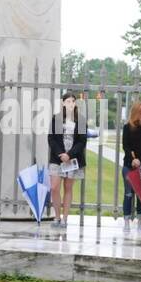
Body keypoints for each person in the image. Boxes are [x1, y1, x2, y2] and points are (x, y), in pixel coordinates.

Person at [47, 91, 87, 228]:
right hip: (57, 158)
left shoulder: (81, 120)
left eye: (73, 101)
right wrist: (61, 154)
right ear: (63, 103)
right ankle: (57, 217)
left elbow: (82, 142)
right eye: (68, 101)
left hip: (72, 158)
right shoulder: (56, 119)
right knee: (54, 187)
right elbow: (51, 139)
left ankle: (64, 219)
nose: (71, 104)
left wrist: (69, 155)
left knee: (68, 188)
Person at [120, 101, 141, 233]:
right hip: (129, 165)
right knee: (128, 193)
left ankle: (140, 222)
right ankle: (126, 222)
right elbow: (126, 146)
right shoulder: (127, 127)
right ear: (135, 113)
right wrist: (133, 159)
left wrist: (140, 159)